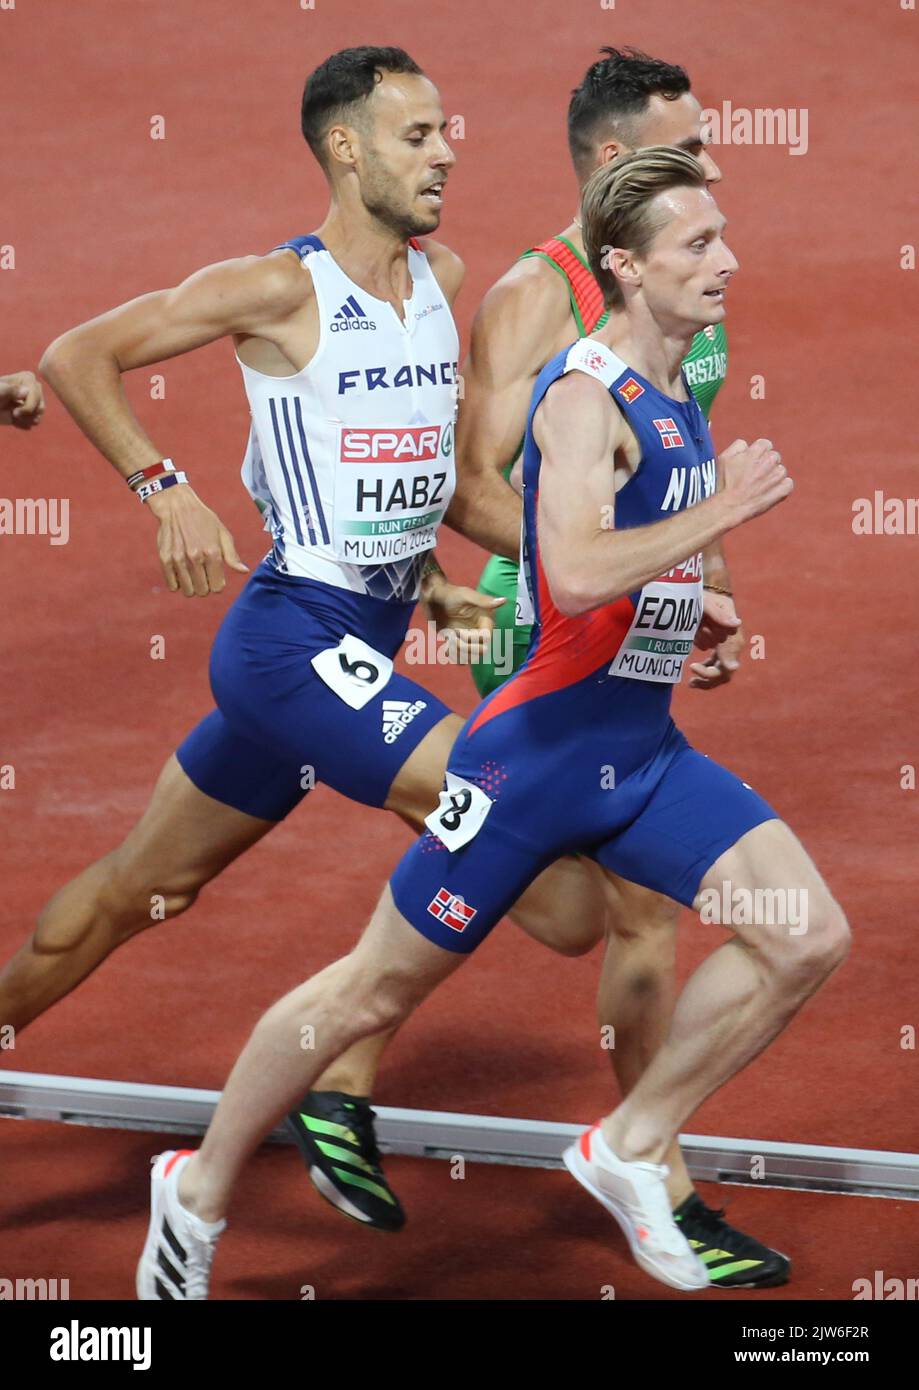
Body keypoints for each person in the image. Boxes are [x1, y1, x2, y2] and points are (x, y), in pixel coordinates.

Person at [138, 148, 849, 1299]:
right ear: (625, 265)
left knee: (805, 935)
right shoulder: (586, 398)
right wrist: (722, 514)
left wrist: (686, 608)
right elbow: (565, 575)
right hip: (532, 766)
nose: (729, 261)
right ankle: (201, 1185)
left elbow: (620, 581)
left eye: (721, 237)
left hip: (641, 756)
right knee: (369, 991)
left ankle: (626, 1145)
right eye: (698, 244)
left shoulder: (676, 387)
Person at [0, 46, 646, 1235]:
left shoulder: (438, 275)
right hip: (287, 647)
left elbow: (413, 472)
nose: (447, 150)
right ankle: (335, 1080)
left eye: (447, 130)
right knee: (553, 888)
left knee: (129, 895)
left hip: (356, 644)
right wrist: (166, 487)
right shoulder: (274, 289)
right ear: (345, 149)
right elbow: (74, 355)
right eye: (416, 135)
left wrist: (439, 582)